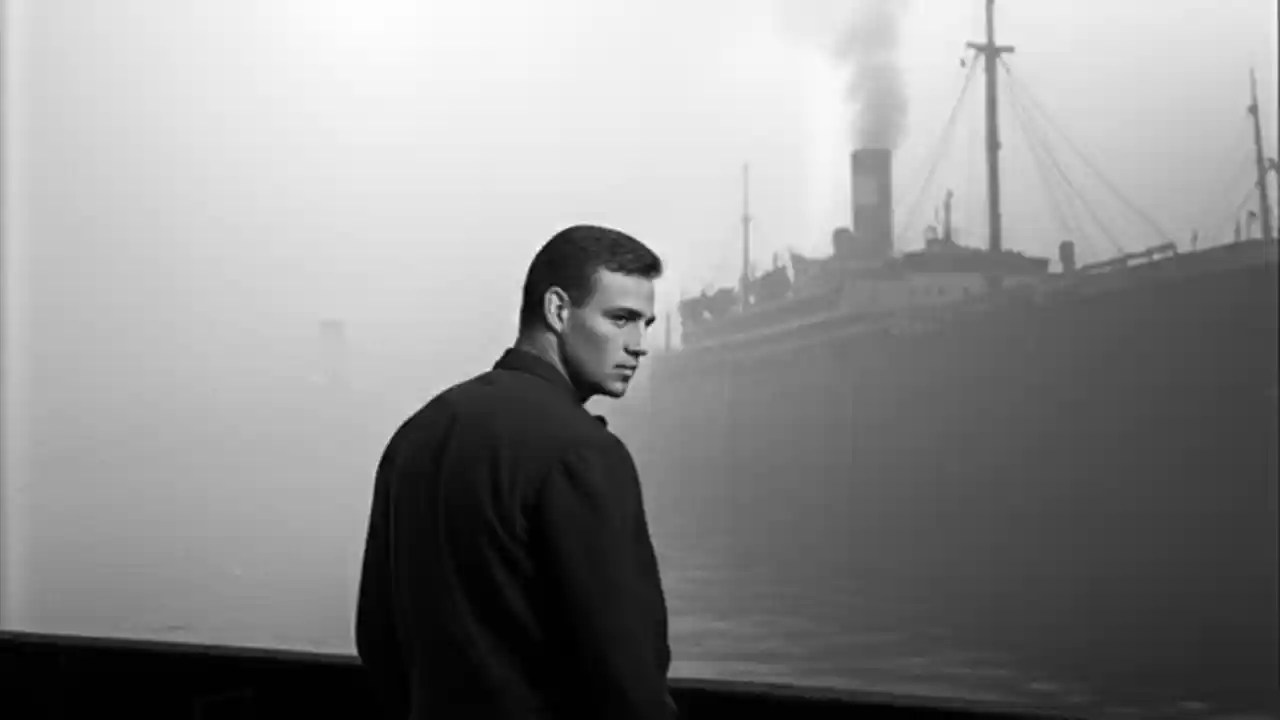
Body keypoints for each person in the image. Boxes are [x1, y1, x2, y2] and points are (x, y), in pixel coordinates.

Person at [355, 224, 676, 720]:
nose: (639, 345)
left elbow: (377, 636)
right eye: (620, 319)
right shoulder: (583, 452)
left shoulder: (417, 434)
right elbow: (628, 674)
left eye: (645, 325)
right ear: (557, 310)